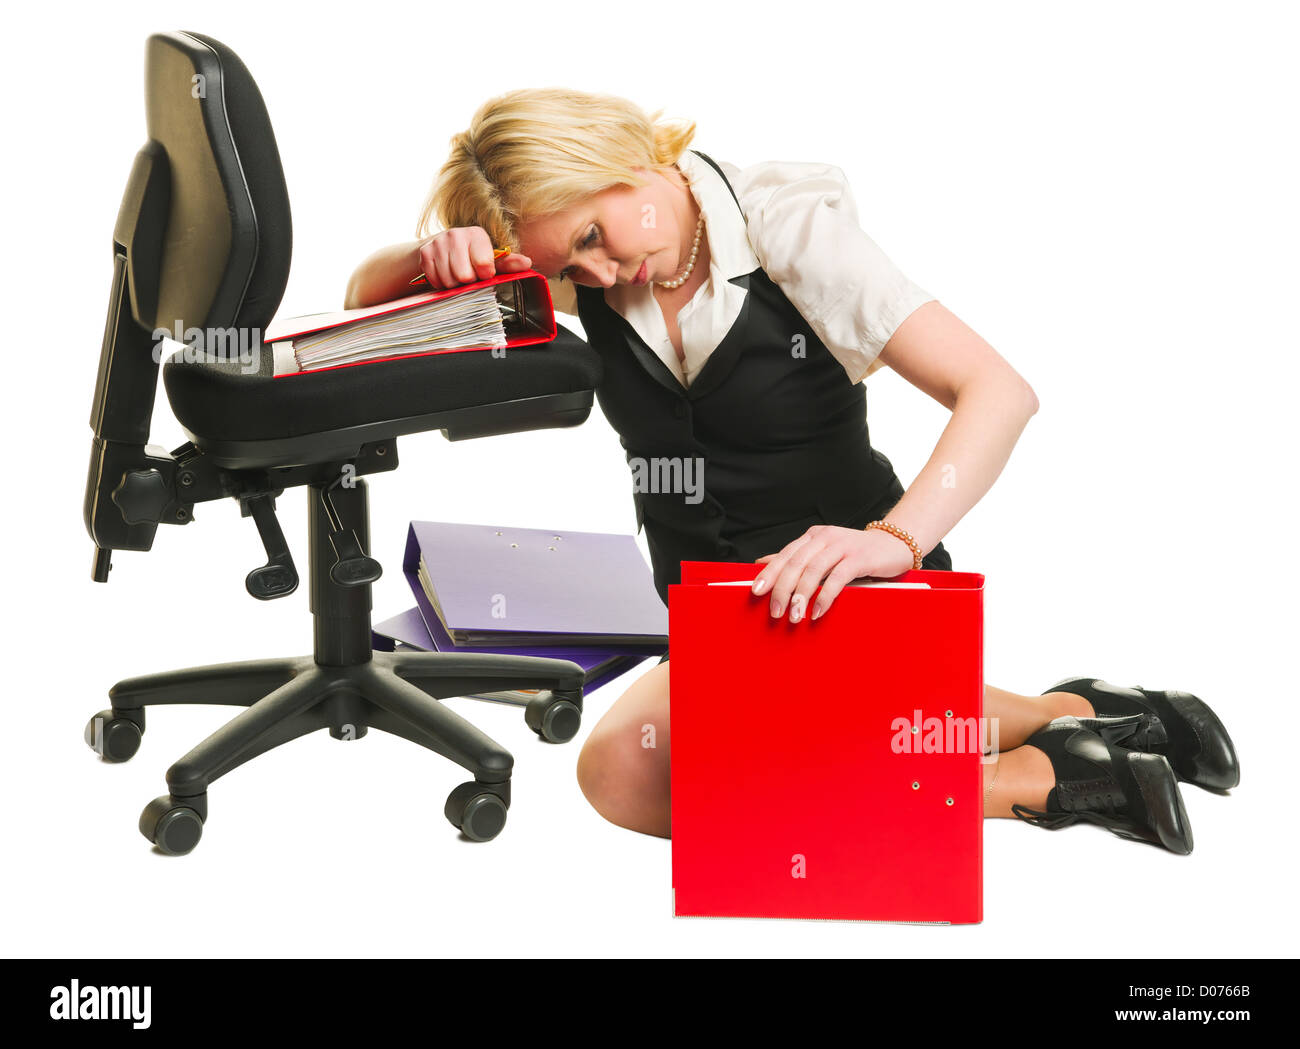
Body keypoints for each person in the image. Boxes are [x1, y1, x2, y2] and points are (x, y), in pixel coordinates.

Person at [346, 88, 1238, 854]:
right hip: (723, 616)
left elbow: (998, 391)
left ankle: (1036, 778)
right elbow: (363, 323)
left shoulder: (783, 224)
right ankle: (1075, 722)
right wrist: (425, 261)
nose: (595, 271)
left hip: (858, 595)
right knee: (629, 774)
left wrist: (892, 540)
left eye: (593, 234)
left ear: (616, 156)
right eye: (563, 264)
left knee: (694, 777)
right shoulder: (588, 272)